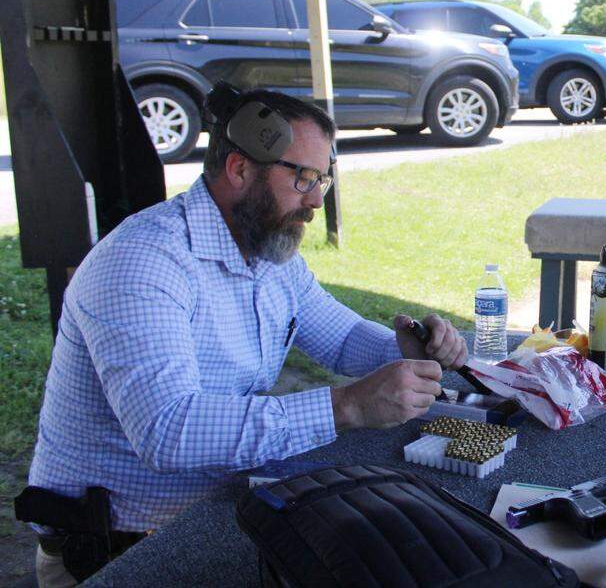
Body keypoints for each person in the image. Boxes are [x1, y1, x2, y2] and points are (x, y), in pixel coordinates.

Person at [21, 89, 468, 587]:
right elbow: (167, 430)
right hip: (115, 552)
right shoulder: (144, 261)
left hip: (204, 518)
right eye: (303, 178)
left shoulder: (267, 251)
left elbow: (340, 336)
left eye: (322, 179)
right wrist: (346, 406)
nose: (316, 201)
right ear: (239, 169)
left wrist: (402, 349)